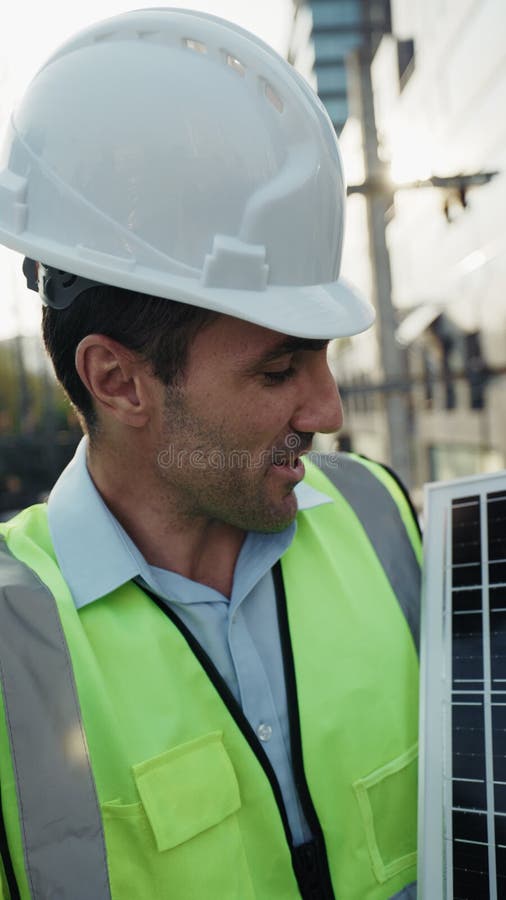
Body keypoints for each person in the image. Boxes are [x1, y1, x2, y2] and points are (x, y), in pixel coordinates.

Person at [0, 9, 420, 900]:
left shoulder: (384, 520)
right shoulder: (13, 649)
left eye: (324, 358)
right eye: (279, 370)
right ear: (118, 380)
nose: (329, 411)